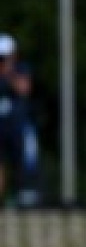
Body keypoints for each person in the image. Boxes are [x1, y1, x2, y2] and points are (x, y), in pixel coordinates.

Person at [0, 33, 39, 208]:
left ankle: (23, 198)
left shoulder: (20, 70)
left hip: (17, 126)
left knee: (22, 163)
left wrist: (8, 77)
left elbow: (24, 88)